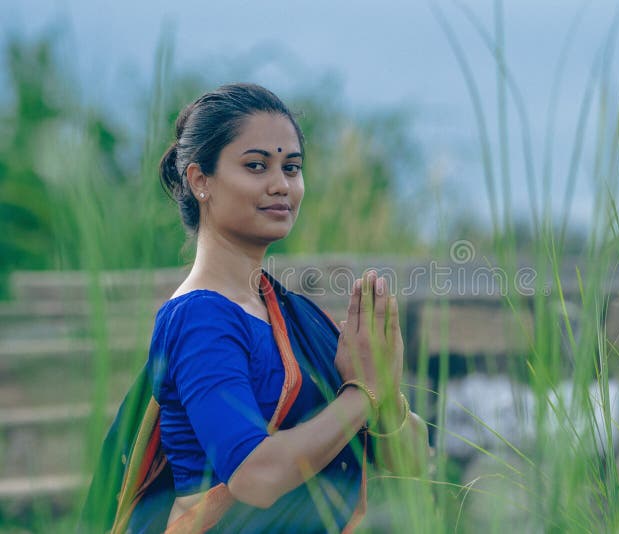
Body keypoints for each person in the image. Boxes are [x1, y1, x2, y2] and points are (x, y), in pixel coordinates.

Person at [80, 82, 429, 533]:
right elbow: (255, 477)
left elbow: (417, 459)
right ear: (199, 180)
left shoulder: (295, 316)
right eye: (256, 166)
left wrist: (385, 393)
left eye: (292, 167)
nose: (280, 185)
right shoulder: (200, 319)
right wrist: (362, 394)